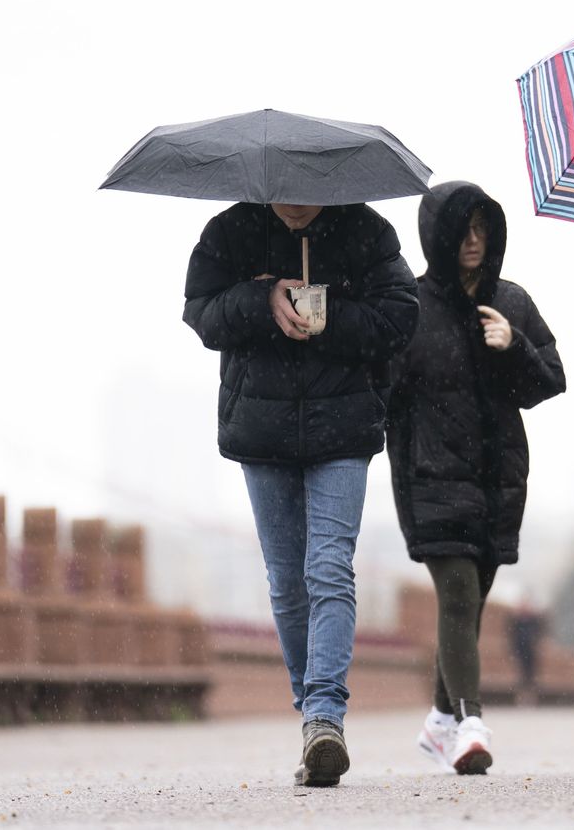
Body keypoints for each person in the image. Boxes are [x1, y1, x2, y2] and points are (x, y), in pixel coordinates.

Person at [183, 201, 418, 787]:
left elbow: (400, 319)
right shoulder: (230, 231)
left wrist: (327, 311)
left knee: (330, 568)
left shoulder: (366, 232)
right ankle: (310, 718)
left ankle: (323, 716)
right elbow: (200, 314)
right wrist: (263, 301)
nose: (293, 199)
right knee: (287, 582)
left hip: (343, 428)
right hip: (261, 431)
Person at [386, 181, 566, 775]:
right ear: (437, 236)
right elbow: (379, 396)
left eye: (482, 229)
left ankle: (439, 721)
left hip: (498, 482)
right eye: (462, 230)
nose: (473, 241)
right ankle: (469, 724)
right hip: (431, 476)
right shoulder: (407, 307)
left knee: (471, 602)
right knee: (458, 594)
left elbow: (549, 383)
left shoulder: (511, 301)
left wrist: (512, 348)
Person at [506, 589, 547, 704]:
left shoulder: (534, 619)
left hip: (531, 650)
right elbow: (511, 634)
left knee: (531, 674)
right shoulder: (515, 619)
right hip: (520, 649)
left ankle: (531, 697)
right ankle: (522, 697)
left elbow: (539, 633)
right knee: (521, 674)